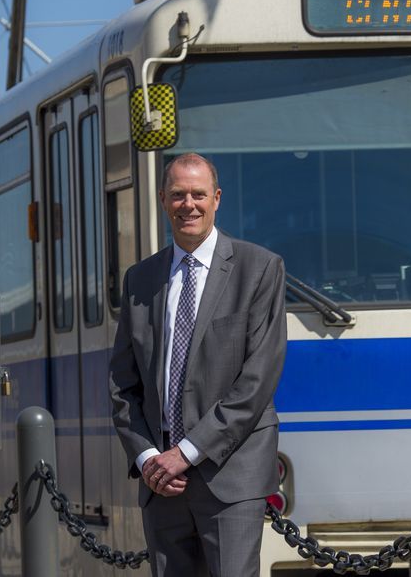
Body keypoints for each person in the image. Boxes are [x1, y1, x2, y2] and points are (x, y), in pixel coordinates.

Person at [109, 152, 287, 577]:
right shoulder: (141, 279)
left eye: (198, 194)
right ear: (163, 200)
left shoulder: (259, 269)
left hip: (231, 478)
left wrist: (186, 453)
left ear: (217, 199)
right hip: (162, 482)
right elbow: (122, 384)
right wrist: (152, 458)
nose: (188, 204)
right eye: (178, 195)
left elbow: (256, 381)